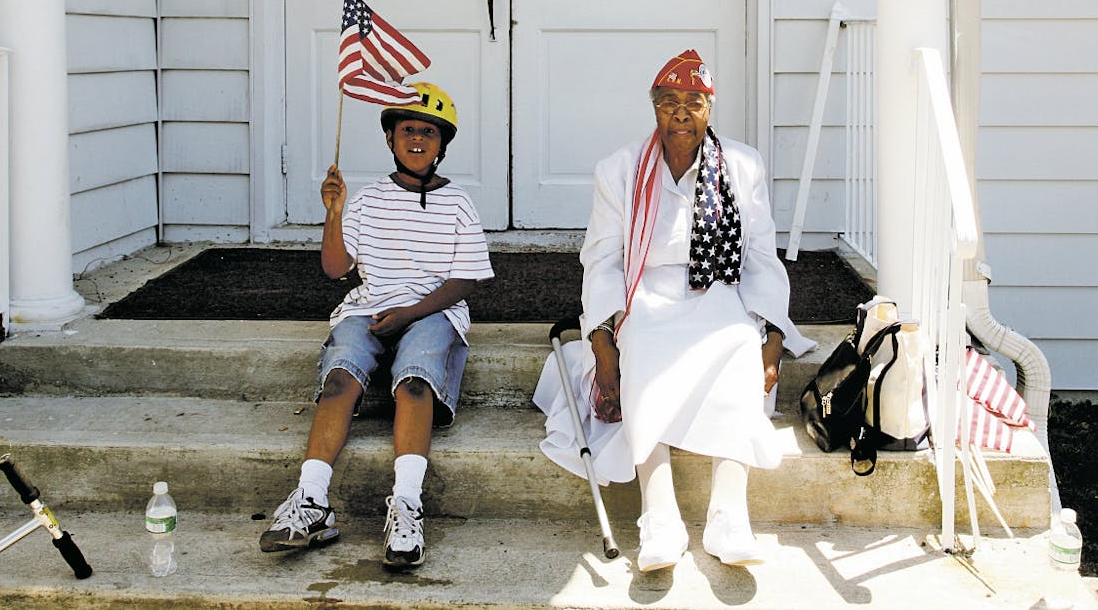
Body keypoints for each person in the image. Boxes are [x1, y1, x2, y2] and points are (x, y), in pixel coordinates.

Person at [534, 49, 814, 572]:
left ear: (710, 107)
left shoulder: (743, 166)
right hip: (647, 291)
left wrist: (772, 336)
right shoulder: (618, 170)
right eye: (668, 102)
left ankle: (730, 511)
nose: (680, 113)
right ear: (654, 108)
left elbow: (760, 257)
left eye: (692, 102)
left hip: (719, 288)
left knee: (736, 343)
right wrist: (601, 341)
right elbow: (602, 259)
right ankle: (659, 514)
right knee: (643, 344)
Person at [259, 82, 493, 569]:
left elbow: (465, 279)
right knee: (341, 377)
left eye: (428, 133)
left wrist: (410, 314)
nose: (417, 140)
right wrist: (335, 213)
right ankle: (311, 499)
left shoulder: (458, 205)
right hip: (369, 306)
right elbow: (335, 268)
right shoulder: (367, 200)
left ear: (442, 145)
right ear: (390, 138)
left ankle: (407, 504)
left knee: (413, 381)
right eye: (407, 130)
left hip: (431, 309)